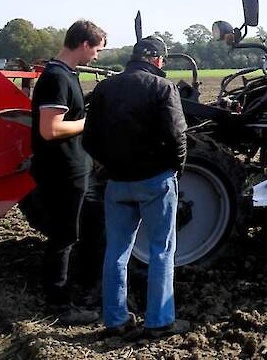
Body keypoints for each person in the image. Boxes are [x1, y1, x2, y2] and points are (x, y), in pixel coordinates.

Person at [83, 36, 190, 339]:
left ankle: (115, 321)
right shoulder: (162, 88)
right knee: (161, 251)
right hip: (155, 180)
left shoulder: (106, 88)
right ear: (157, 60)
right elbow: (177, 137)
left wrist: (108, 165)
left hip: (117, 183)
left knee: (116, 251)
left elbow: (89, 138)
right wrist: (175, 170)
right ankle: (159, 322)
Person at [30, 19, 107, 325]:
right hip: (62, 169)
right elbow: (50, 130)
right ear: (84, 44)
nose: (98, 57)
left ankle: (88, 287)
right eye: (97, 49)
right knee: (63, 236)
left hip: (78, 167)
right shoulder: (56, 78)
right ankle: (58, 304)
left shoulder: (68, 74)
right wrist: (90, 122)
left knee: (93, 224)